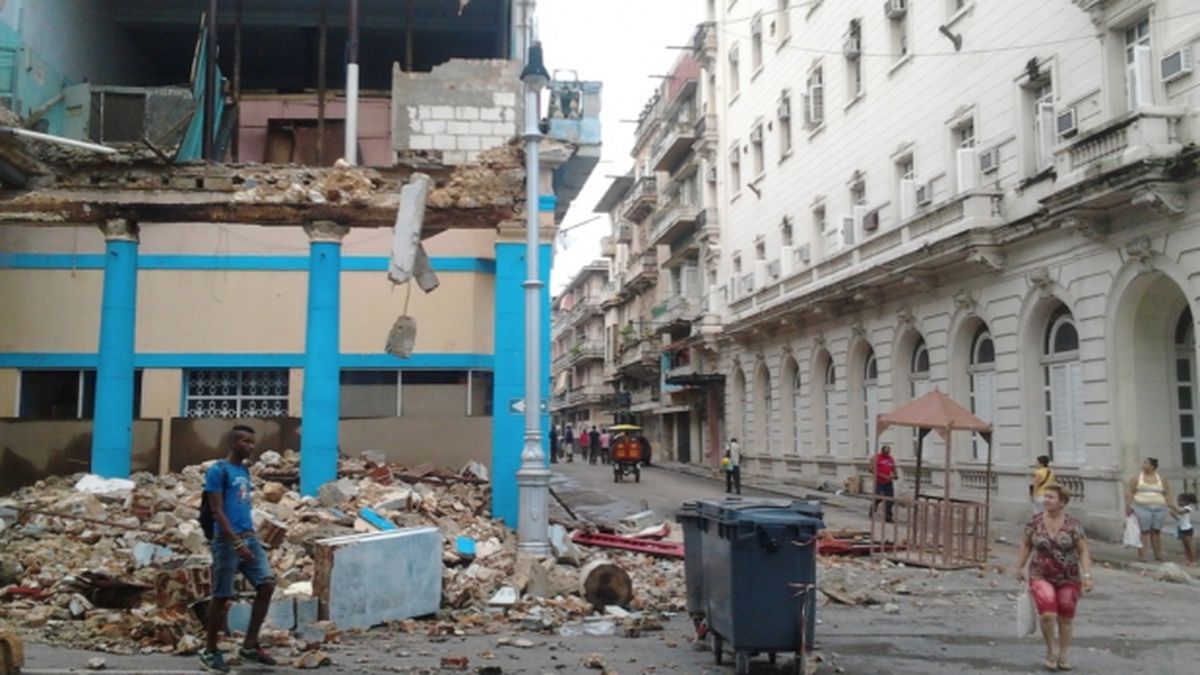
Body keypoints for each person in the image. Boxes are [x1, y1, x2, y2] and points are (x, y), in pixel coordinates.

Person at [199, 425, 277, 673]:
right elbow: (217, 511)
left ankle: (250, 644)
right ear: (233, 443)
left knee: (266, 585)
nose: (251, 446)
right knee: (222, 595)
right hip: (227, 541)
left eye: (252, 442)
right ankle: (210, 650)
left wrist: (248, 538)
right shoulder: (218, 471)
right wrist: (236, 542)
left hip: (249, 536)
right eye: (245, 442)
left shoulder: (244, 470)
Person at [1014, 484, 1093, 672]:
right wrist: (1019, 566)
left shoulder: (1073, 525)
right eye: (1045, 496)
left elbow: (1083, 550)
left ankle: (1063, 654)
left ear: (1062, 502)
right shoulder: (1034, 523)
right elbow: (1026, 545)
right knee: (1048, 614)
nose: (1046, 500)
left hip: (1069, 576)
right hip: (1040, 574)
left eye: (1051, 497)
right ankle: (1051, 651)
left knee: (1066, 616)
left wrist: (1087, 575)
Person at [1125, 457, 1177, 562]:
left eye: (1146, 463)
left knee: (1156, 531)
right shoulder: (1137, 478)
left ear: (1152, 466)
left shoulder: (1161, 478)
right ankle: (1142, 555)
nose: (1143, 465)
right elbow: (1130, 492)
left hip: (1159, 507)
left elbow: (1166, 493)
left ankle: (1158, 554)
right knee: (1144, 531)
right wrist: (1128, 506)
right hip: (1142, 507)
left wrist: (1171, 506)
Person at [870, 444, 898, 523]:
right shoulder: (876, 457)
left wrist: (895, 474)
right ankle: (872, 509)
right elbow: (871, 469)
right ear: (882, 452)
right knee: (879, 496)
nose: (887, 454)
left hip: (888, 482)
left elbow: (893, 467)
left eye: (888, 452)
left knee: (890, 499)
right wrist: (881, 475)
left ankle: (888, 516)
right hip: (879, 481)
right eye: (885, 452)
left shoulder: (890, 458)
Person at [1176, 492, 1196, 567]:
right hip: (1182, 528)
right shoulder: (1182, 509)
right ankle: (1188, 559)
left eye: (1180, 501)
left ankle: (1193, 560)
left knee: (1190, 545)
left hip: (1187, 528)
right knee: (1185, 546)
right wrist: (1173, 515)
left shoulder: (1188, 508)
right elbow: (1179, 518)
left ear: (1186, 501)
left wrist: (1172, 507)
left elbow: (1180, 512)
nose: (1179, 502)